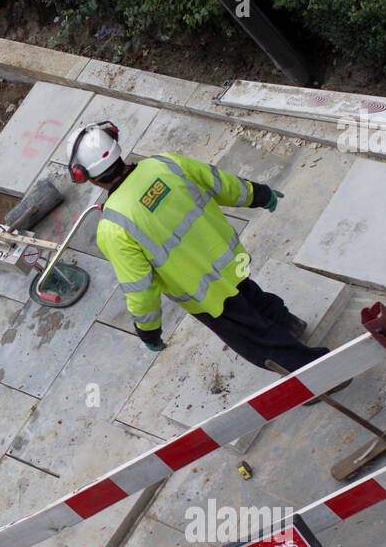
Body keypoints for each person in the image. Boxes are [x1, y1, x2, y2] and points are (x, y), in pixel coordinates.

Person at [71, 121, 348, 390]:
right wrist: (259, 194)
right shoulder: (165, 163)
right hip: (229, 261)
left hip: (204, 293)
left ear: (88, 176)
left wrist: (149, 331)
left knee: (257, 340)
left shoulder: (113, 227)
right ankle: (288, 323)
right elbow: (220, 183)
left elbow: (140, 290)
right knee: (250, 295)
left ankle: (321, 374)